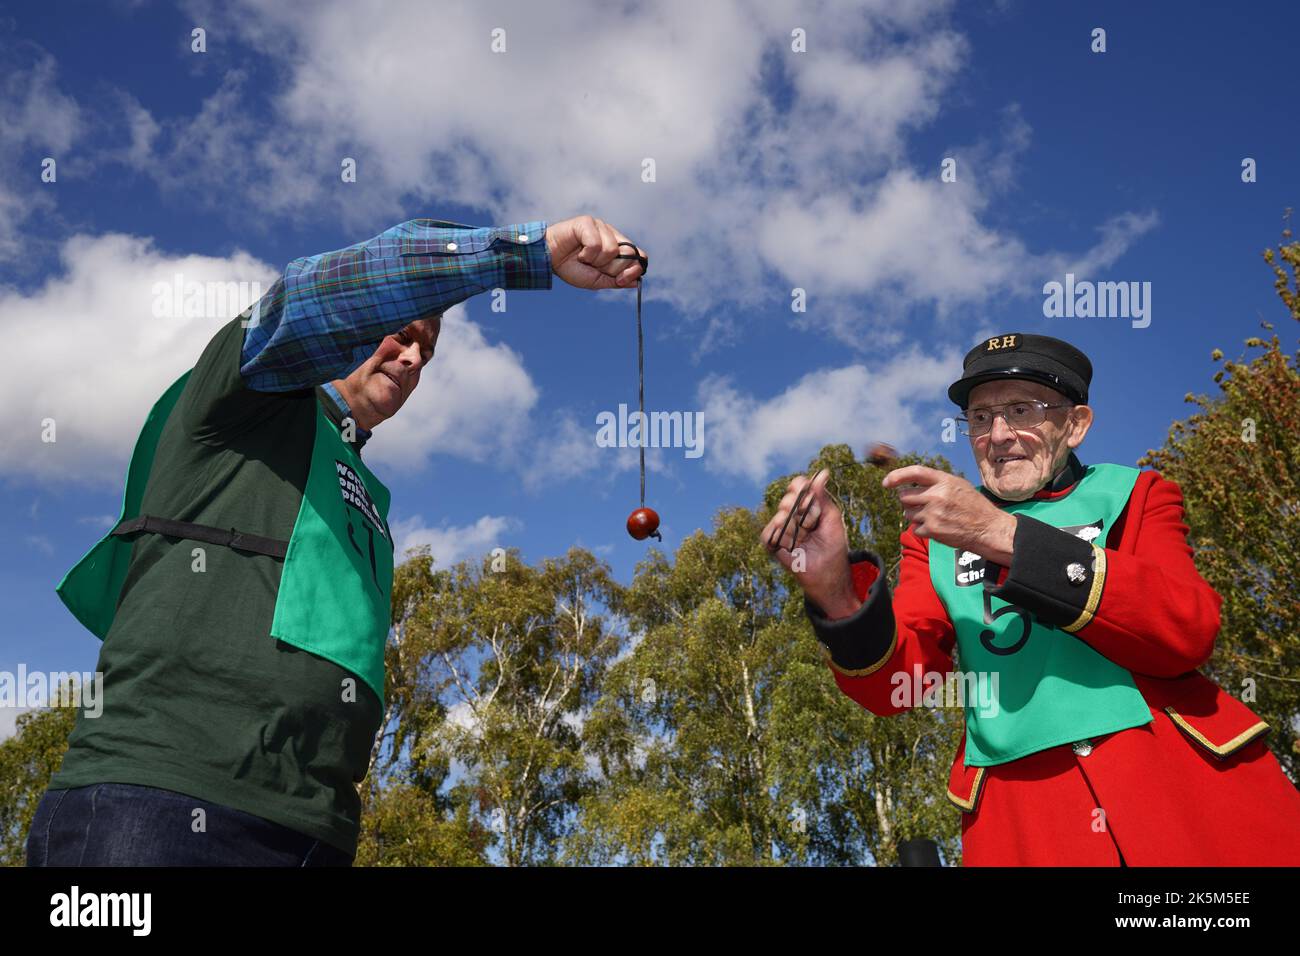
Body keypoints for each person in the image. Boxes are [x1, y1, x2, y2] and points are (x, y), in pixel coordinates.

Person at [27, 215, 647, 866]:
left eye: (426, 354)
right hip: (159, 801)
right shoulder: (247, 397)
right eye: (404, 333)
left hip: (313, 828)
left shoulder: (361, 483)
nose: (412, 359)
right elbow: (315, 301)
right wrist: (526, 254)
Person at [763, 332, 1300, 865]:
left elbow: (1185, 629)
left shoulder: (1137, 494)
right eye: (979, 419)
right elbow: (897, 688)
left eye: (1022, 410)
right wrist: (832, 584)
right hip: (1024, 824)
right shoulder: (929, 542)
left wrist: (1003, 535)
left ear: (1076, 423)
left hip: (1187, 802)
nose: (998, 435)